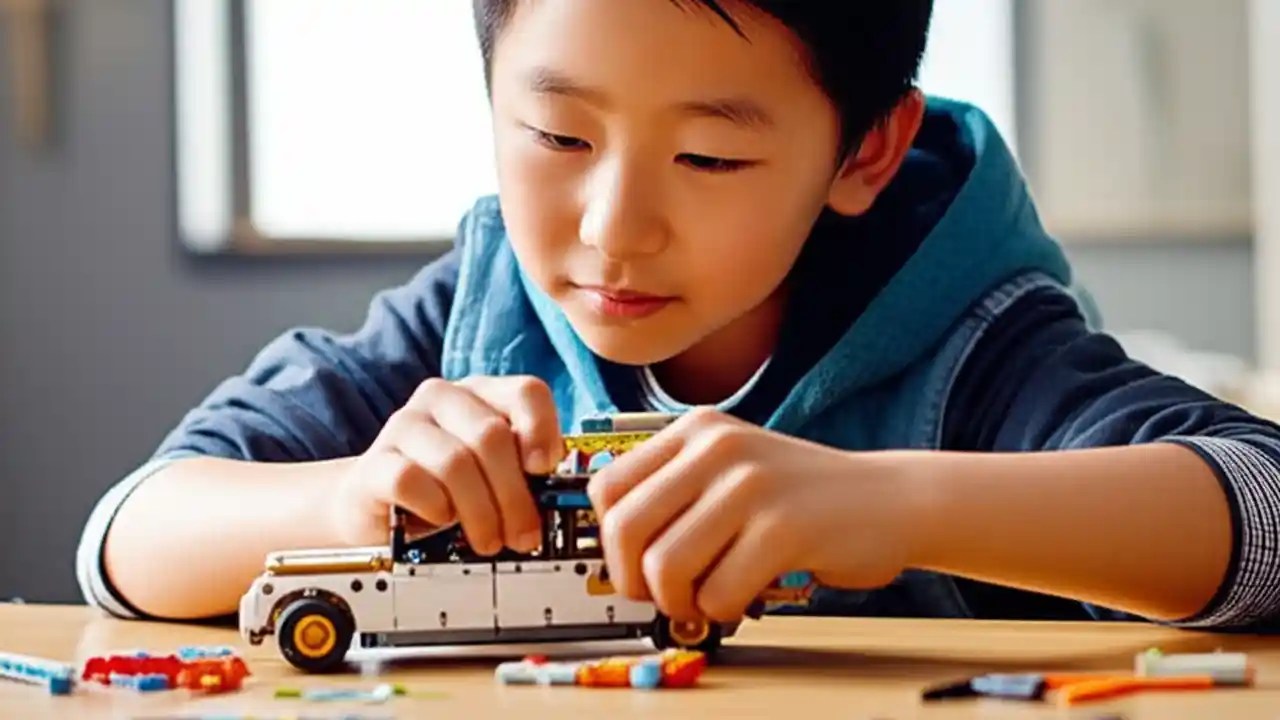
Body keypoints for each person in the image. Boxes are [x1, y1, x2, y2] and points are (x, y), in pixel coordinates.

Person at [79, 0, 1280, 632]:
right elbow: (126, 542)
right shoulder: (479, 314)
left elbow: (1264, 511)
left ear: (863, 150)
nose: (612, 228)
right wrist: (351, 499)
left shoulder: (970, 339)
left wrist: (893, 501)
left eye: (706, 157)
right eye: (555, 138)